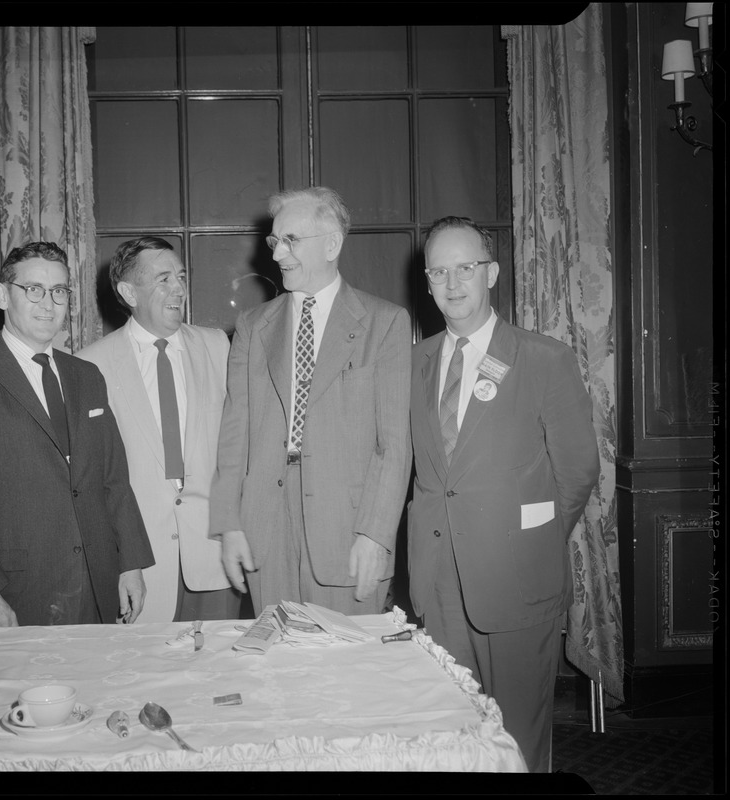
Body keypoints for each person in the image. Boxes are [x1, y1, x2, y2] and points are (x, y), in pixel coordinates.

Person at [407, 216, 600, 773]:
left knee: (517, 739)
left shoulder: (544, 358)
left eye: (465, 268)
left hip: (516, 580)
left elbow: (578, 472)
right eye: (438, 272)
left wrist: (525, 539)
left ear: (490, 273)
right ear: (427, 282)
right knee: (454, 736)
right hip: (439, 581)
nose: (452, 283)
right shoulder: (414, 363)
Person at [0, 241, 154, 627]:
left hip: (97, 583)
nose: (48, 303)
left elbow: (113, 479)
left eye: (59, 291)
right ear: (2, 295)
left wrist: (131, 563)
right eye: (33, 289)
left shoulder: (87, 376)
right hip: (15, 592)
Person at [210, 186, 412, 617]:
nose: (277, 253)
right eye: (274, 241)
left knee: (345, 658)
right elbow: (234, 432)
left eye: (291, 240)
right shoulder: (252, 326)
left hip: (349, 532)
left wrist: (375, 534)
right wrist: (229, 523)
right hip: (266, 530)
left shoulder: (385, 323)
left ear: (332, 244)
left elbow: (394, 445)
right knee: (276, 654)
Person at [78, 237, 240, 623]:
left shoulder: (218, 346)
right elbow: (92, 479)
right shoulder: (90, 365)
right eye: (163, 279)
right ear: (128, 292)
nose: (179, 289)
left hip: (215, 554)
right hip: (138, 566)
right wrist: (122, 562)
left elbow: (239, 447)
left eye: (180, 277)